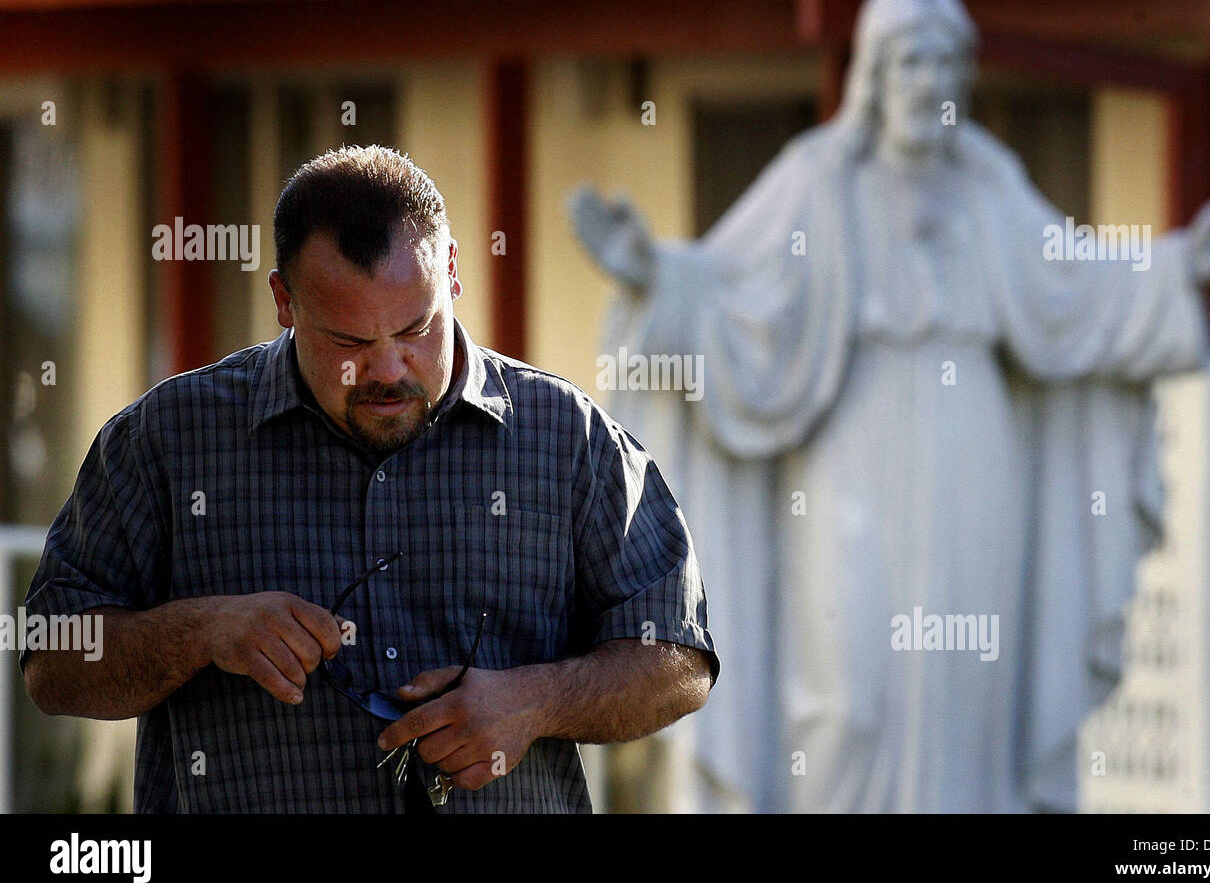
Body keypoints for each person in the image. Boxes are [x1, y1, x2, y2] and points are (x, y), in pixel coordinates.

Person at [569, 0, 1210, 812]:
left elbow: (1073, 291)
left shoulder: (988, 181)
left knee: (971, 670)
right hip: (852, 446)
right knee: (846, 686)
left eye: (943, 65)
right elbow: (735, 291)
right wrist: (655, 275)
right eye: (908, 62)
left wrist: (1182, 264)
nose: (927, 82)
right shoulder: (820, 179)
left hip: (976, 443)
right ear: (875, 75)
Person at [21, 144, 719, 813]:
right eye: (349, 341)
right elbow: (51, 661)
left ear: (452, 271)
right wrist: (201, 630)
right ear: (284, 300)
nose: (387, 369)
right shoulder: (166, 440)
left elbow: (680, 659)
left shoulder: (567, 438)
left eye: (416, 328)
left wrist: (537, 701)